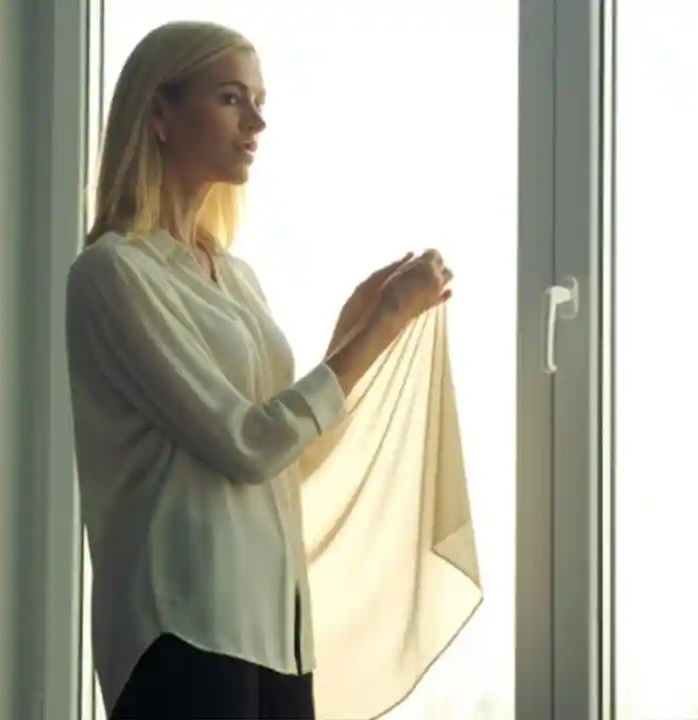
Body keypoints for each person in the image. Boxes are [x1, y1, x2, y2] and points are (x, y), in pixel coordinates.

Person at [65, 19, 453, 719]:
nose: (258, 121)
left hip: (278, 636)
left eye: (258, 100)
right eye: (231, 99)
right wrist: (382, 325)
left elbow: (284, 455)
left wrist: (354, 333)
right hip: (184, 632)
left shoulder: (235, 279)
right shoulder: (113, 274)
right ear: (158, 113)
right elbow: (245, 445)